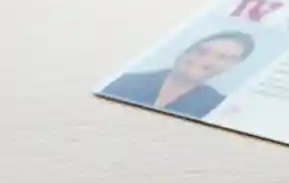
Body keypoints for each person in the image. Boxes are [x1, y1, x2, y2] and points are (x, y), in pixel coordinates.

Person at [101, 31, 255, 119]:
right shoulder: (127, 81)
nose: (207, 61)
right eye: (202, 51)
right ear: (184, 51)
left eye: (223, 58)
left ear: (230, 67)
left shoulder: (220, 106)